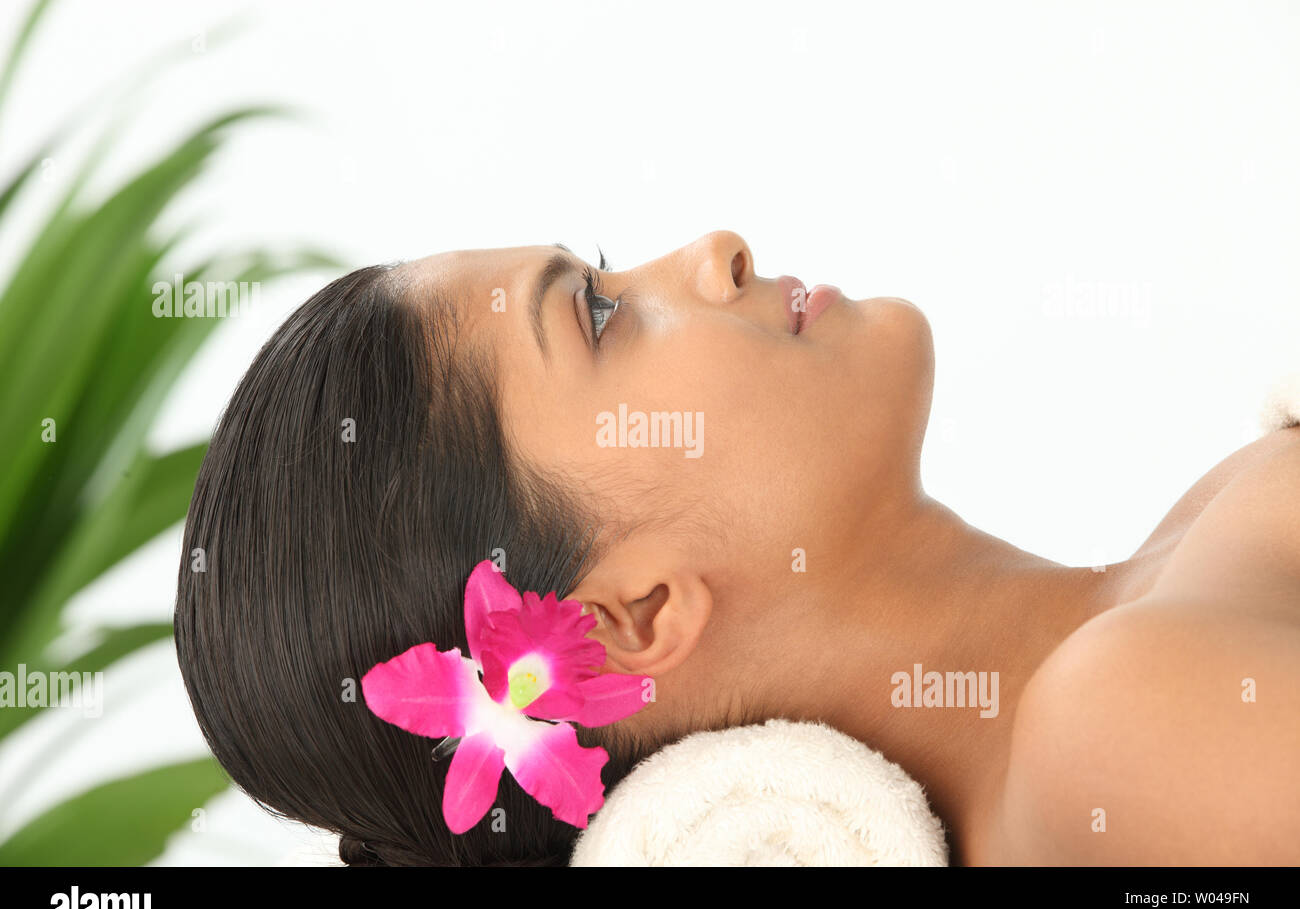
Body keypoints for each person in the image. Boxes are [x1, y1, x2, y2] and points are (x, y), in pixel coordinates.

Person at [173, 231, 1300, 866]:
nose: (712, 251)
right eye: (602, 316)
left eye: (610, 263)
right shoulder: (1117, 735)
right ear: (633, 618)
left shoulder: (1176, 580)